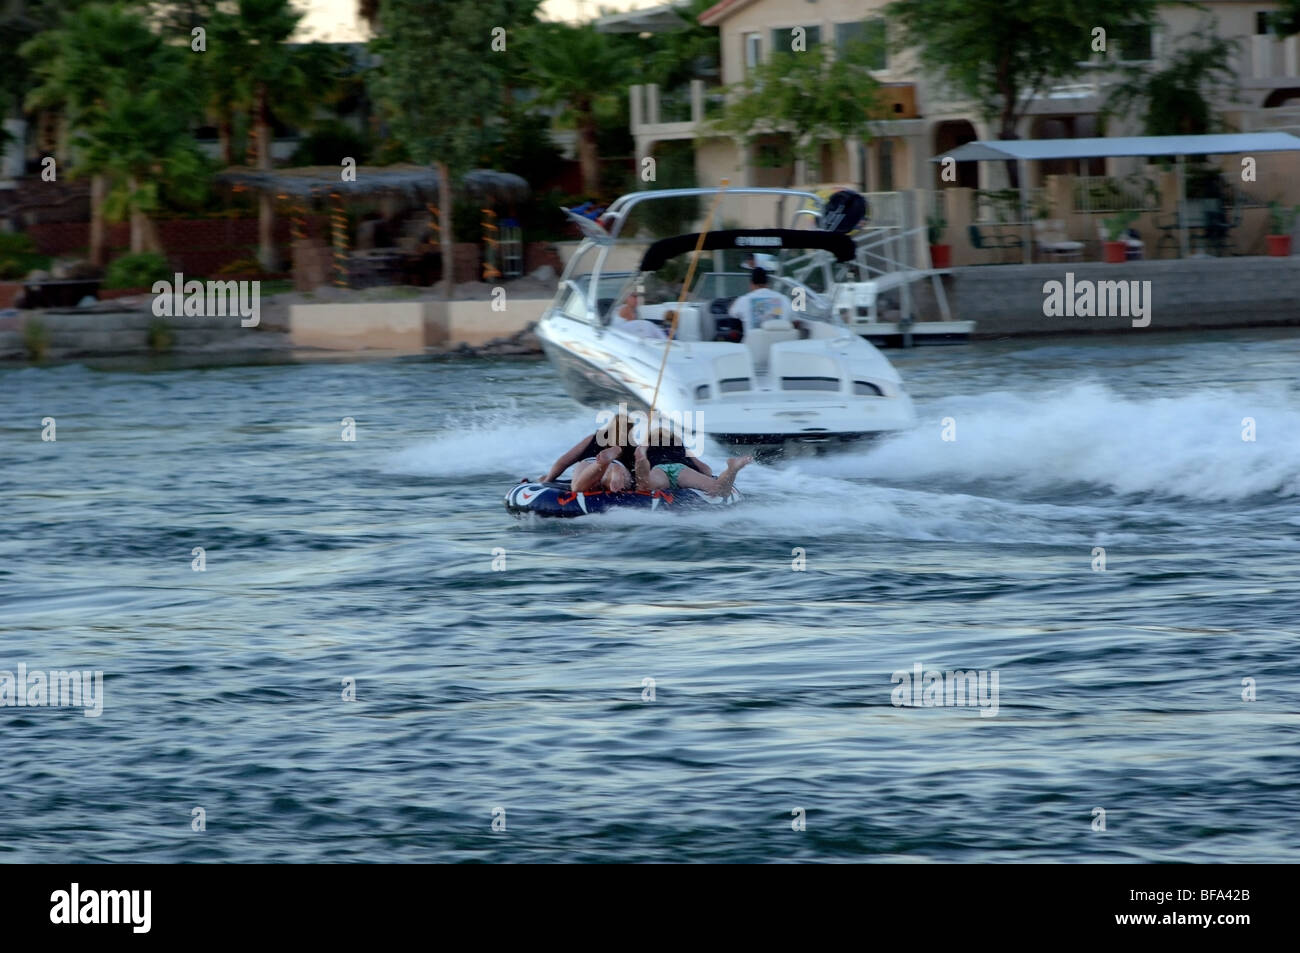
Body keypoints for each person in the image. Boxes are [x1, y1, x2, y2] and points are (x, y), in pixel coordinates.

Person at [534, 408, 639, 493]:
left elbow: (564, 461)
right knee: (616, 474)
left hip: (589, 463)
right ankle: (614, 472)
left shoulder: (594, 438)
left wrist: (548, 480)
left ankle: (600, 465)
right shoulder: (634, 446)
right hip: (619, 466)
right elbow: (640, 476)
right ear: (631, 430)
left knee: (577, 488)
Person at [728, 267, 793, 334]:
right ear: (767, 283)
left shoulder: (743, 300)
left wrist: (733, 304)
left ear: (751, 284)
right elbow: (793, 319)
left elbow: (732, 313)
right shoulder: (784, 299)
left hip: (753, 343)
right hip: (779, 343)